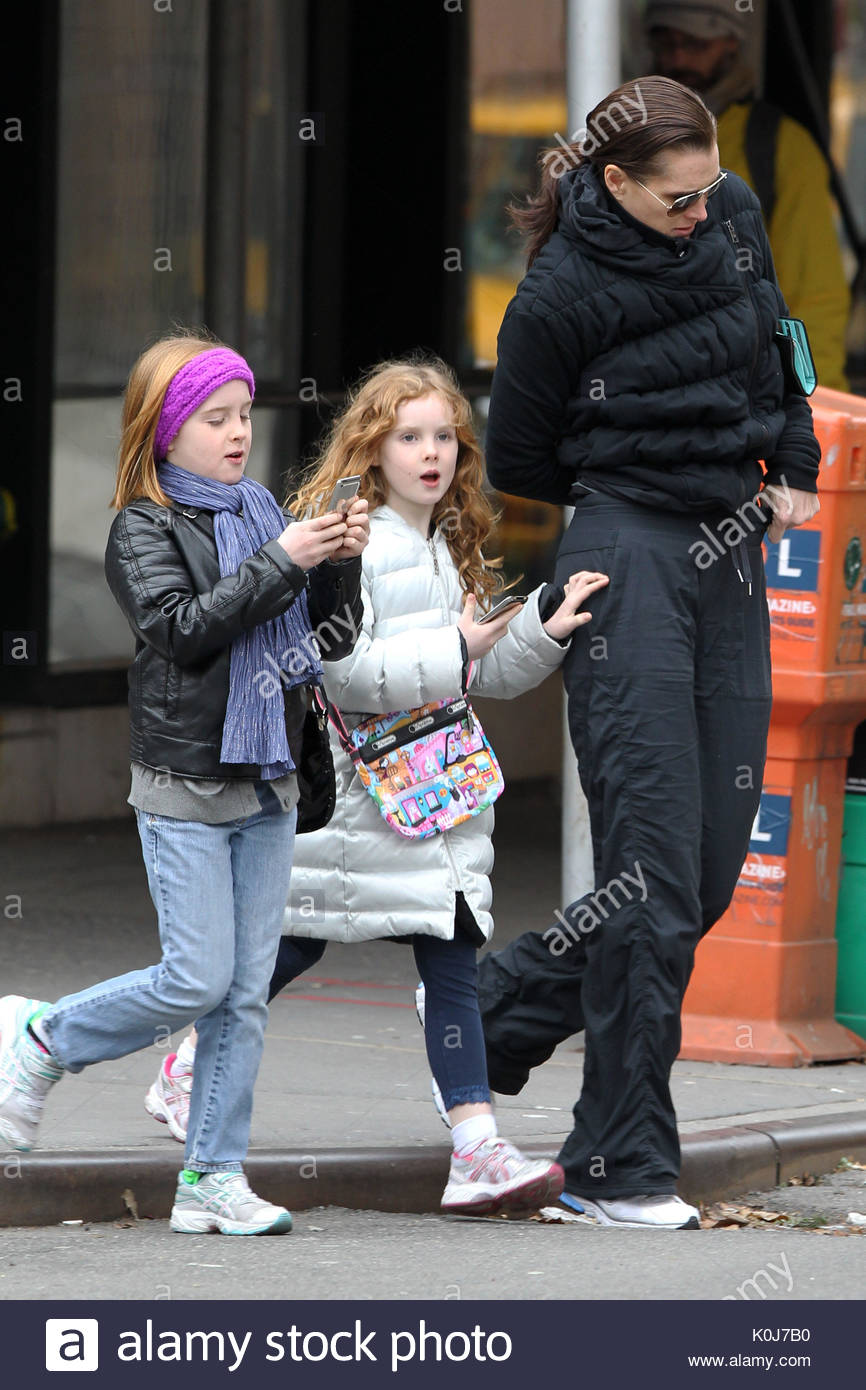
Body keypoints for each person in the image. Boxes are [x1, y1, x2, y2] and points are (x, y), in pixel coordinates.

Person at [145, 355, 609, 1219]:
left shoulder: (445, 545)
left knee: (447, 950)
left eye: (443, 438)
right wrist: (461, 650)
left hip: (428, 796)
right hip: (361, 799)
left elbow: (470, 677)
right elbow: (341, 668)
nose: (430, 454)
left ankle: (474, 1144)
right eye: (408, 437)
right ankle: (182, 1069)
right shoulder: (360, 543)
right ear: (372, 447)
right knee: (287, 944)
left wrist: (541, 629)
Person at [474, 75, 821, 1229]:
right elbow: (518, 454)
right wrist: (646, 477)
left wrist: (792, 471)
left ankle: (476, 1021)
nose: (698, 211)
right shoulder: (558, 292)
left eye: (705, 188)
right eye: (673, 199)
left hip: (731, 552)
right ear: (613, 183)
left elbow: (777, 344)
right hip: (626, 556)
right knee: (651, 879)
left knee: (701, 877)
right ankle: (620, 1163)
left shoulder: (726, 215)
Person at [0, 333, 367, 1236]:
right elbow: (182, 630)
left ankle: (211, 1179)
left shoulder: (259, 513)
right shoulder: (141, 526)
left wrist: (337, 560)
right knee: (195, 977)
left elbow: (337, 641)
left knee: (243, 993)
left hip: (270, 777)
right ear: (166, 430)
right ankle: (42, 1039)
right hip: (186, 783)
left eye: (244, 415)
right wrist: (285, 557)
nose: (238, 433)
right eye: (216, 418)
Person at [644, 0, 850, 389]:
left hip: (747, 397)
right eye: (666, 44)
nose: (679, 58)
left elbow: (815, 295)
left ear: (732, 43)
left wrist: (810, 399)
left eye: (696, 44)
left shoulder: (781, 149)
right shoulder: (628, 145)